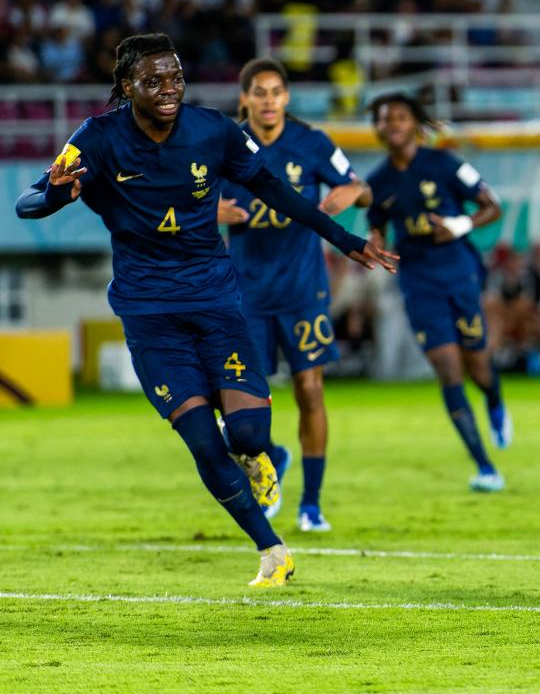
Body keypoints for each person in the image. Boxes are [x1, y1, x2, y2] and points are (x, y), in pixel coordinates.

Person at [14, 34, 396, 586]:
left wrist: (346, 240)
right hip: (150, 315)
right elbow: (28, 202)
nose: (168, 90)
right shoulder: (96, 139)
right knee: (202, 440)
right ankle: (272, 551)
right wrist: (57, 194)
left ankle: (261, 454)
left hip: (217, 303)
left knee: (246, 434)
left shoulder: (214, 131)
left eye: (175, 78)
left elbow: (276, 191)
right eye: (153, 81)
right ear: (127, 87)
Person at [218, 58, 374, 533]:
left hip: (304, 290)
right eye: (258, 92)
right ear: (245, 98)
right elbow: (189, 198)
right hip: (245, 294)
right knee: (235, 405)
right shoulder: (223, 143)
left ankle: (311, 504)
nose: (268, 101)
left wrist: (355, 193)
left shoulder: (312, 142)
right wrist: (211, 211)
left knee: (310, 390)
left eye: (276, 92)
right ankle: (272, 457)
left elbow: (360, 188)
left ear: (287, 97)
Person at [365, 92, 511, 492]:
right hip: (417, 280)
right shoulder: (376, 182)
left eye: (398, 116)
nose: (391, 124)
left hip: (458, 272)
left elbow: (492, 205)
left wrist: (459, 225)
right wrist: (374, 241)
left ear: (415, 123)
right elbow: (376, 223)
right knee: (448, 369)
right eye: (384, 118)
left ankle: (495, 402)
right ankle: (484, 466)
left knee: (478, 365)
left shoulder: (444, 164)